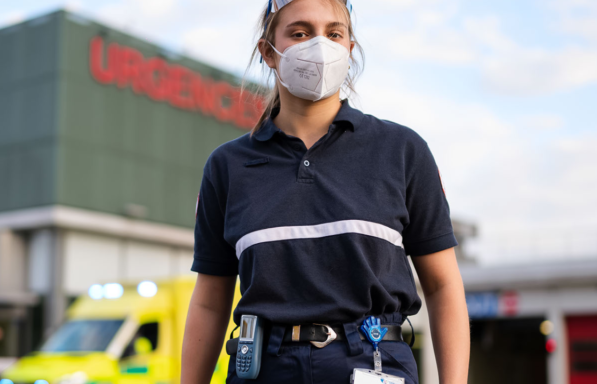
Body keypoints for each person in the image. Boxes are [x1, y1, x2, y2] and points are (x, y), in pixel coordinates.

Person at [180, 0, 470, 383]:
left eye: (334, 33)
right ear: (269, 51)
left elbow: (443, 285)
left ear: (349, 49)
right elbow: (209, 302)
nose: (320, 46)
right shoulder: (228, 166)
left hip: (375, 359)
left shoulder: (402, 151)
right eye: (299, 33)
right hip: (264, 367)